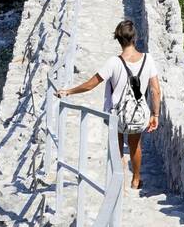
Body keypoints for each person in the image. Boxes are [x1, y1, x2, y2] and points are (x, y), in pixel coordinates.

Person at [57, 19, 160, 190]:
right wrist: (155, 115)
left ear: (118, 40)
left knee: (117, 147)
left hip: (117, 115)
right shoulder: (148, 60)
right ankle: (136, 180)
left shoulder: (113, 62)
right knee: (135, 146)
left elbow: (92, 84)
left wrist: (69, 91)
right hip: (138, 114)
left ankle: (118, 184)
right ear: (134, 38)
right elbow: (155, 90)